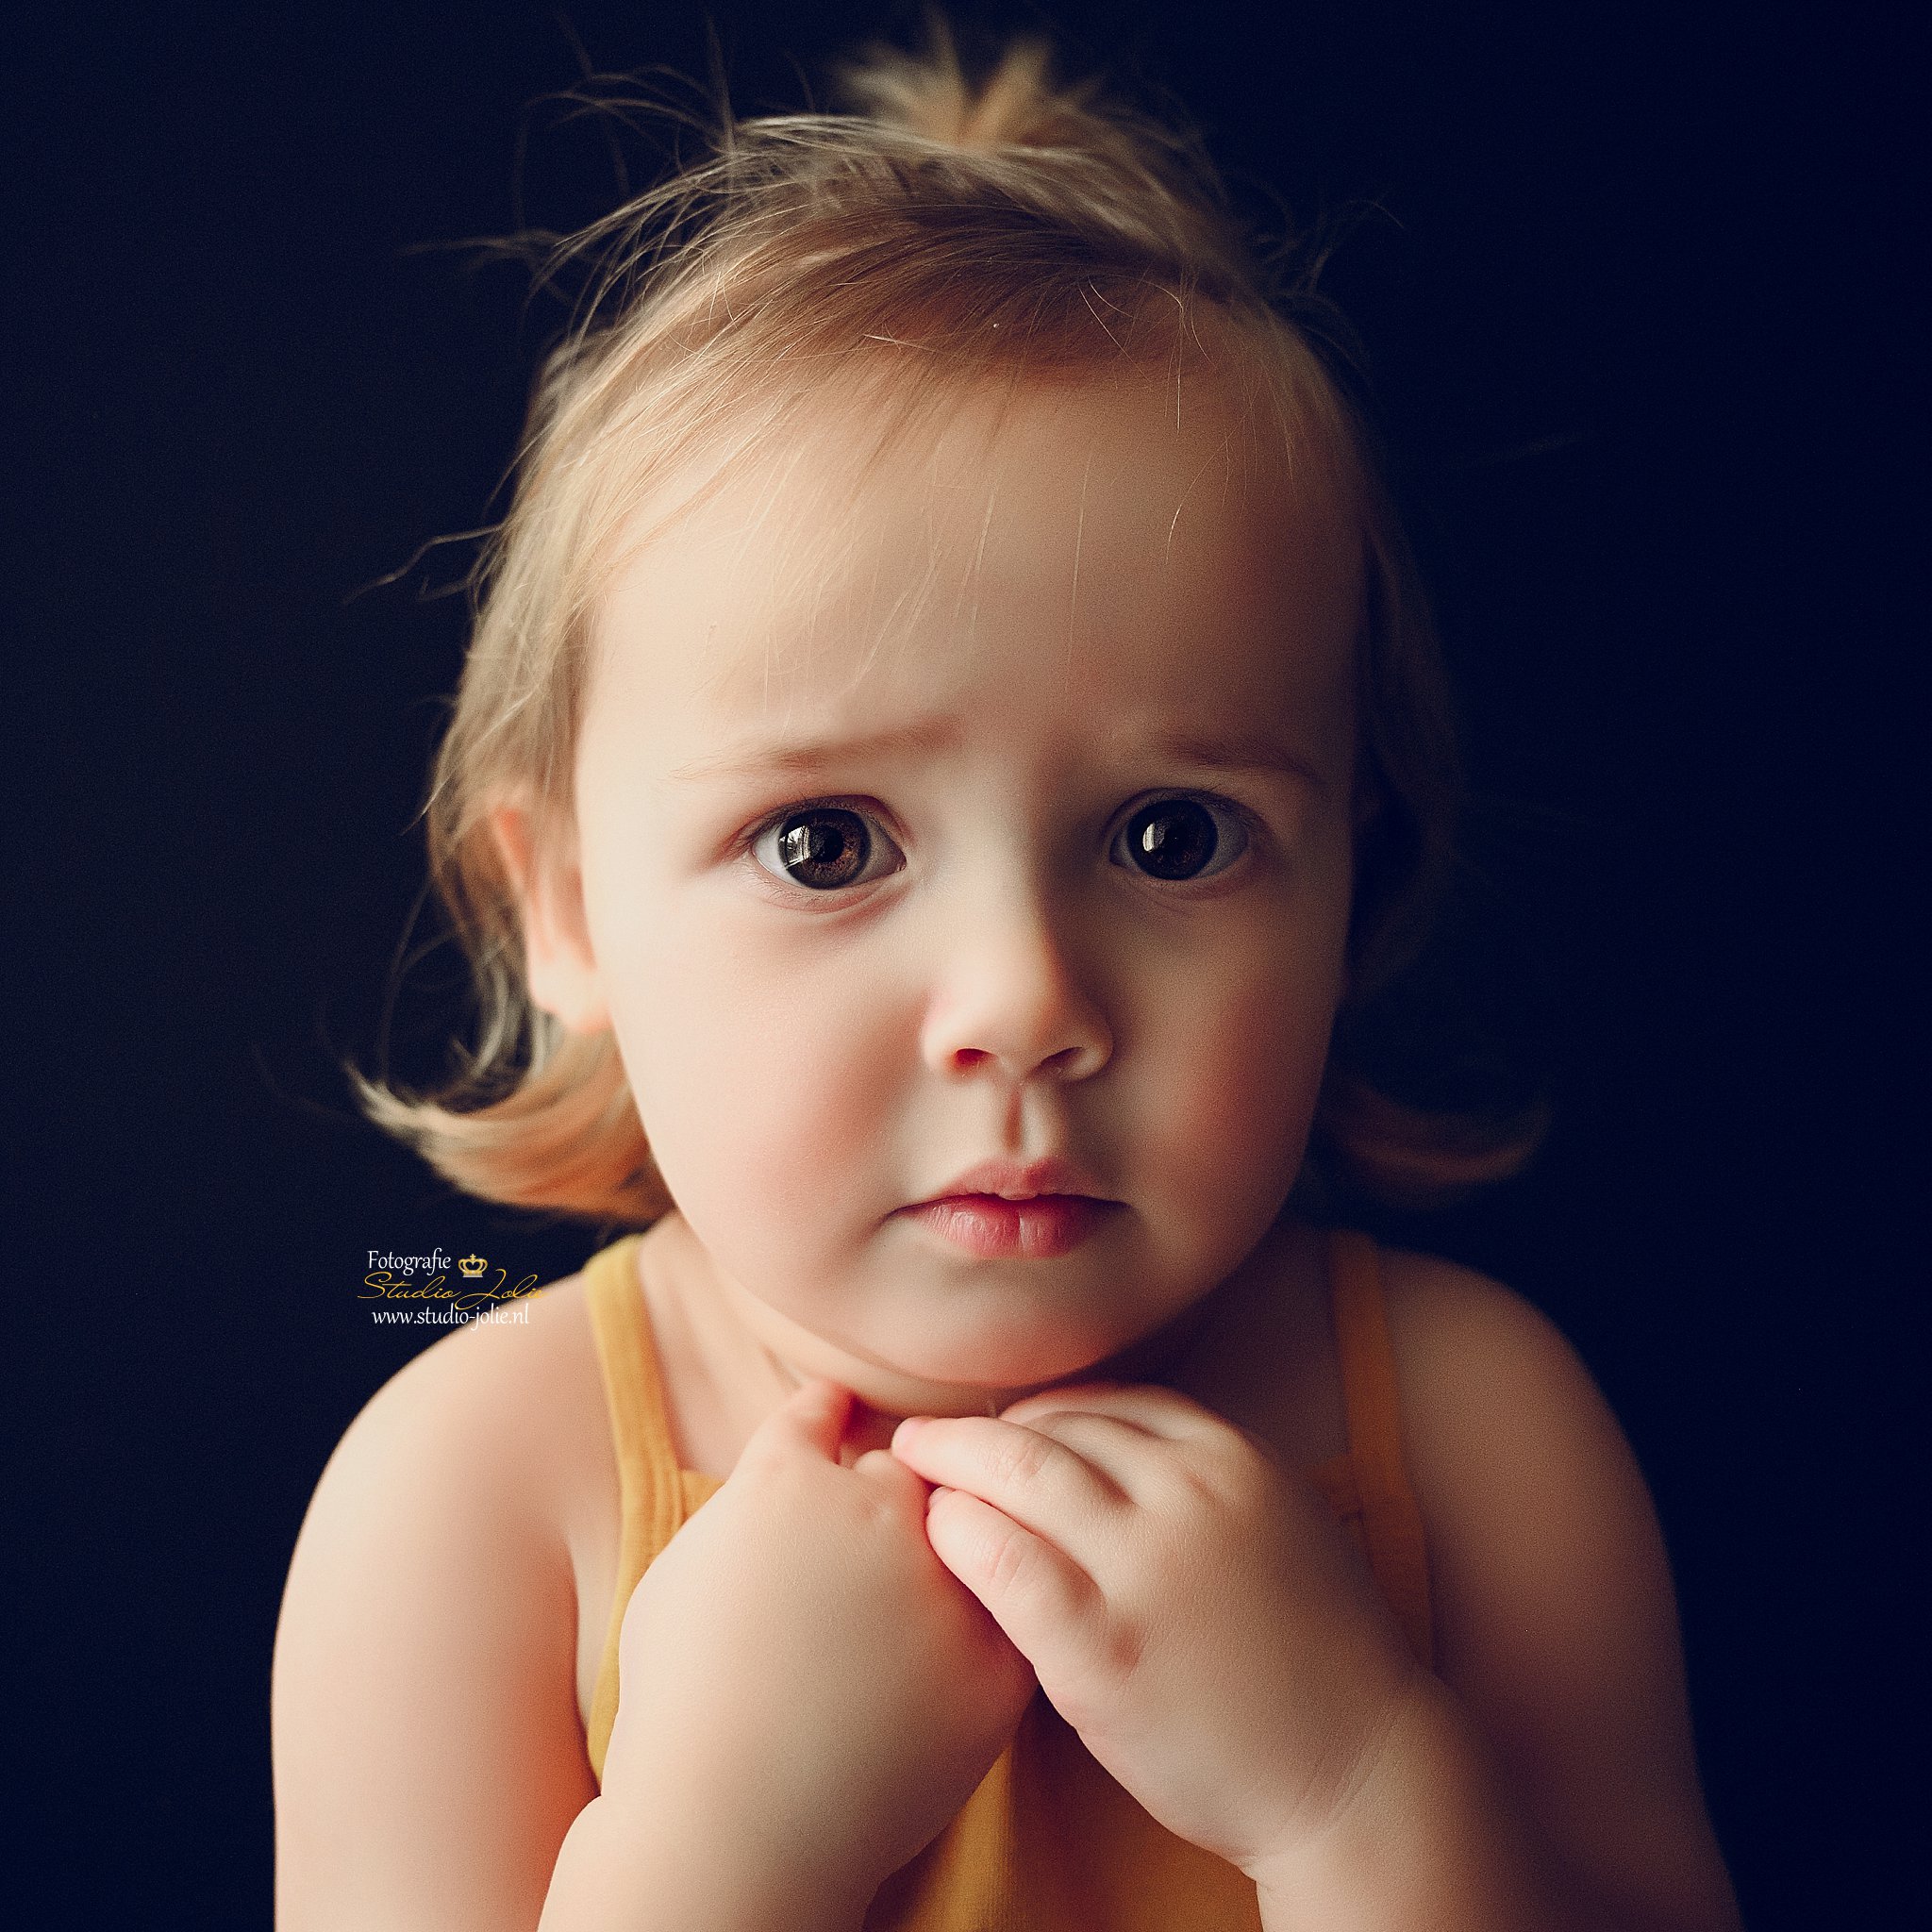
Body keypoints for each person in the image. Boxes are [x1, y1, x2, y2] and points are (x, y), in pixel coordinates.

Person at [272, 28, 1742, 1931]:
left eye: (1171, 836)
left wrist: (1350, 1787)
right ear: (564, 910)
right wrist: (729, 1842)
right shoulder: (471, 1495)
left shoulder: (1477, 1435)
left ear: (1348, 878)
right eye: (825, 843)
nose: (1024, 996)